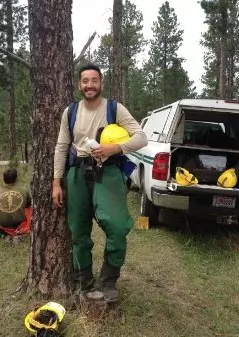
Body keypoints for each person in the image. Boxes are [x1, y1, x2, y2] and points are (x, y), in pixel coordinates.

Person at [52, 64, 148, 302]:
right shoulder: (70, 112)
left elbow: (142, 137)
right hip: (76, 175)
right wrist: (56, 182)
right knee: (78, 230)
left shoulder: (115, 108)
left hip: (109, 173)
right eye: (85, 81)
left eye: (94, 80)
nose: (89, 85)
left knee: (116, 227)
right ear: (79, 84)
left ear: (101, 83)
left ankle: (108, 280)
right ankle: (83, 281)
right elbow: (62, 146)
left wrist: (115, 147)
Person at [0, 168, 32, 237]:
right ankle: (26, 229)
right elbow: (29, 204)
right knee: (30, 208)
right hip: (21, 223)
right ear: (16, 179)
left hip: (3, 225)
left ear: (3, 179)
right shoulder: (24, 190)